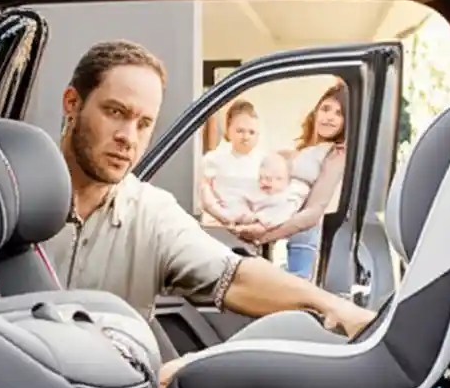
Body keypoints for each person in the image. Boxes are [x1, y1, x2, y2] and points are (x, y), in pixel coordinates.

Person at [41, 39, 375, 339]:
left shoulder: (151, 213)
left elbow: (235, 276)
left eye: (144, 124)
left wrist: (339, 311)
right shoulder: (8, 201)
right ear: (72, 103)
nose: (129, 138)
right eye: (115, 113)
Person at [232, 81, 349, 280]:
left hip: (305, 238)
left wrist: (263, 235)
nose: (329, 117)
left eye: (338, 113)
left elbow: (313, 212)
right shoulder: (306, 151)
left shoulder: (337, 154)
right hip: (286, 234)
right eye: (325, 109)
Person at [199, 99, 264, 226]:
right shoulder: (214, 158)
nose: (246, 137)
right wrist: (219, 213)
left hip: (252, 223)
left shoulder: (264, 161)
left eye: (251, 132)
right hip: (219, 221)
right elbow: (203, 189)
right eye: (240, 131)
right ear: (228, 131)